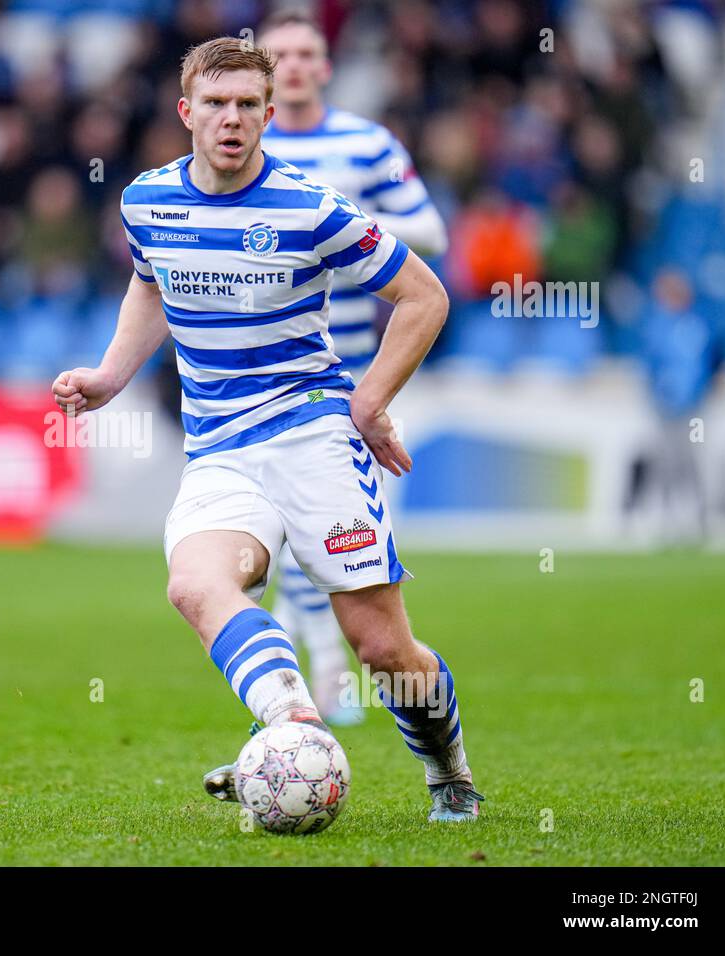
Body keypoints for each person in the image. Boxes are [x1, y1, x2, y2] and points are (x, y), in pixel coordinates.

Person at [51, 38, 482, 822]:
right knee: (195, 584)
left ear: (267, 116)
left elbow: (425, 297)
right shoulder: (148, 202)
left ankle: (448, 765)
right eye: (215, 104)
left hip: (314, 439)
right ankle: (295, 723)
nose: (232, 119)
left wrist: (366, 404)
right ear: (186, 113)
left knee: (383, 651)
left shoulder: (311, 208)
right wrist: (110, 376)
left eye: (248, 105)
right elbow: (152, 287)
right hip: (219, 450)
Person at [259, 11, 450, 725]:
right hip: (268, 362)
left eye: (307, 52)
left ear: (326, 64)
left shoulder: (368, 144)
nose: (296, 65)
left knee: (334, 529)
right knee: (281, 530)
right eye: (280, 55)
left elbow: (429, 229)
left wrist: (346, 225)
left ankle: (332, 662)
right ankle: (326, 664)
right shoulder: (247, 145)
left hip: (350, 365)